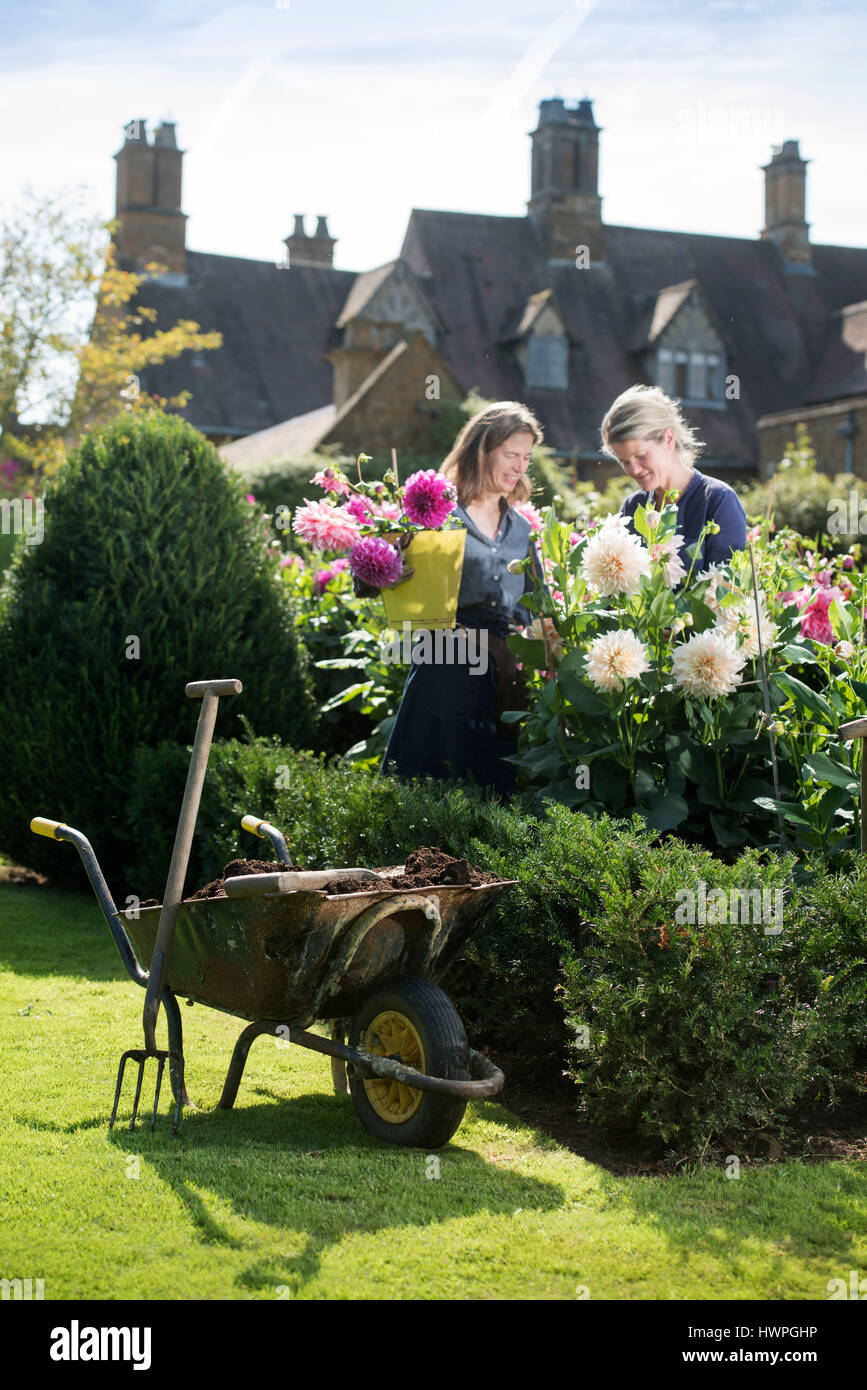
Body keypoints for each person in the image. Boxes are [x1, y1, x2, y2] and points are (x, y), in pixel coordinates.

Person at [381, 401, 544, 797]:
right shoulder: (438, 515)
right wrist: (391, 569)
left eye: (526, 457)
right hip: (445, 663)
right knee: (429, 792)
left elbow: (536, 606)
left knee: (489, 799)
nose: (520, 467)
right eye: (511, 455)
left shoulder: (521, 529)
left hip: (502, 676)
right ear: (481, 449)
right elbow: (368, 579)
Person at [600, 385, 747, 577]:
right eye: (624, 461)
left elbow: (725, 594)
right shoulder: (632, 508)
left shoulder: (717, 501)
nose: (633, 469)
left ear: (669, 439)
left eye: (642, 456)